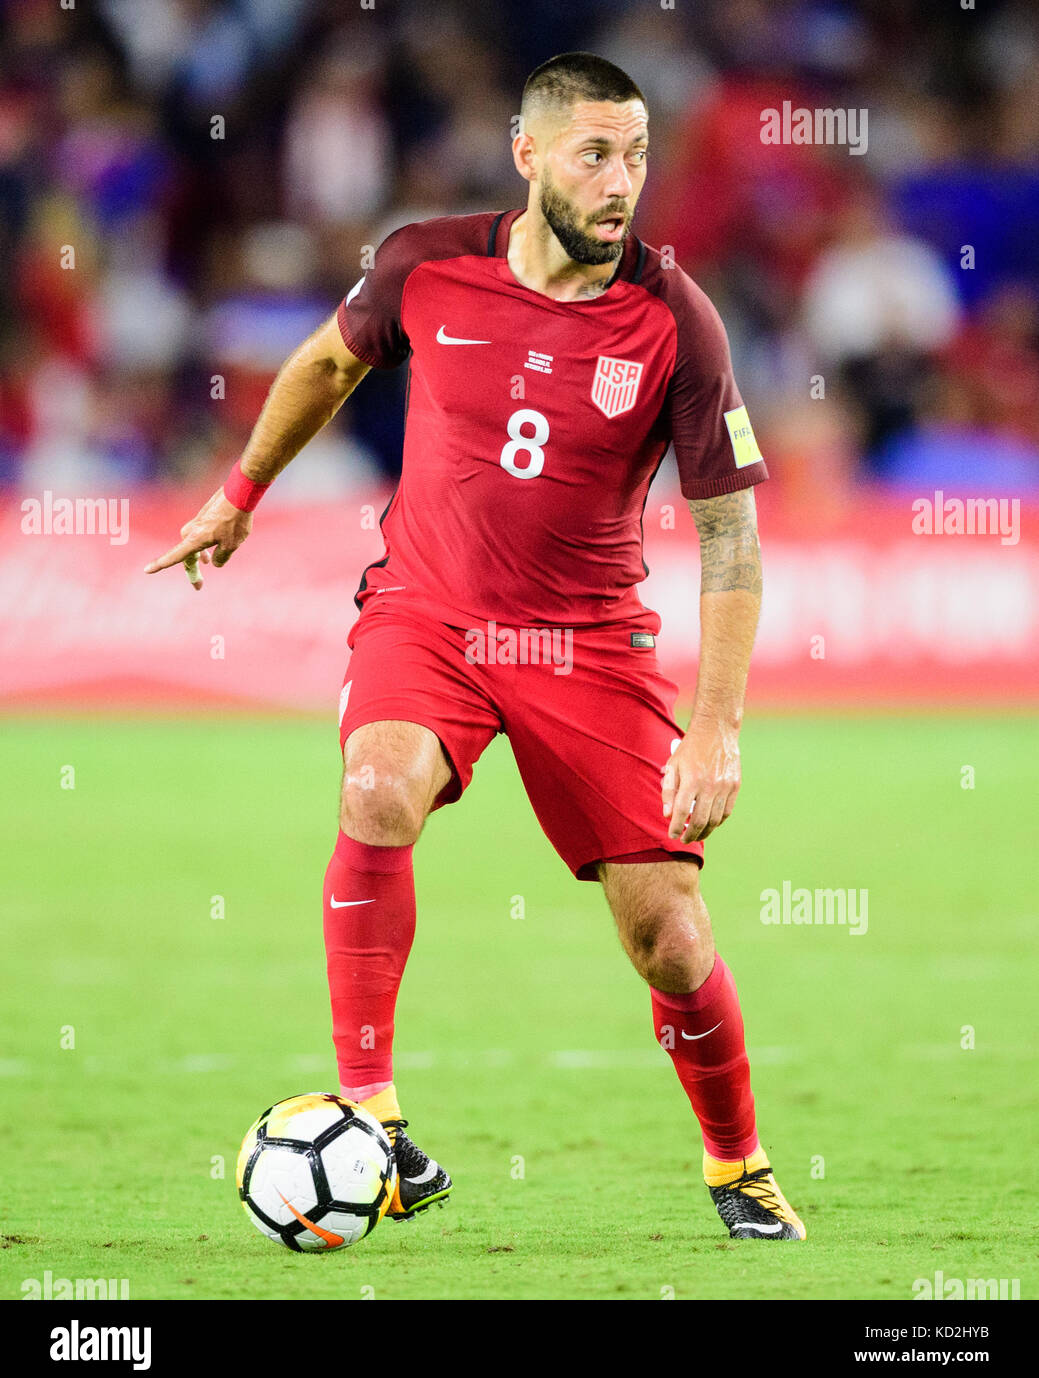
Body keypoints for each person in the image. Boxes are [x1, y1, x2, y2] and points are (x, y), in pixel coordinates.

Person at [146, 52, 805, 1242]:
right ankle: (376, 1118)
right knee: (376, 784)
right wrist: (239, 492)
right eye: (596, 153)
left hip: (589, 645)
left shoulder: (675, 319)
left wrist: (716, 723)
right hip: (430, 615)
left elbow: (729, 538)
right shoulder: (424, 262)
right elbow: (330, 362)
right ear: (529, 154)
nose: (621, 181)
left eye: (638, 154)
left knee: (666, 933)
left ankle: (737, 1162)